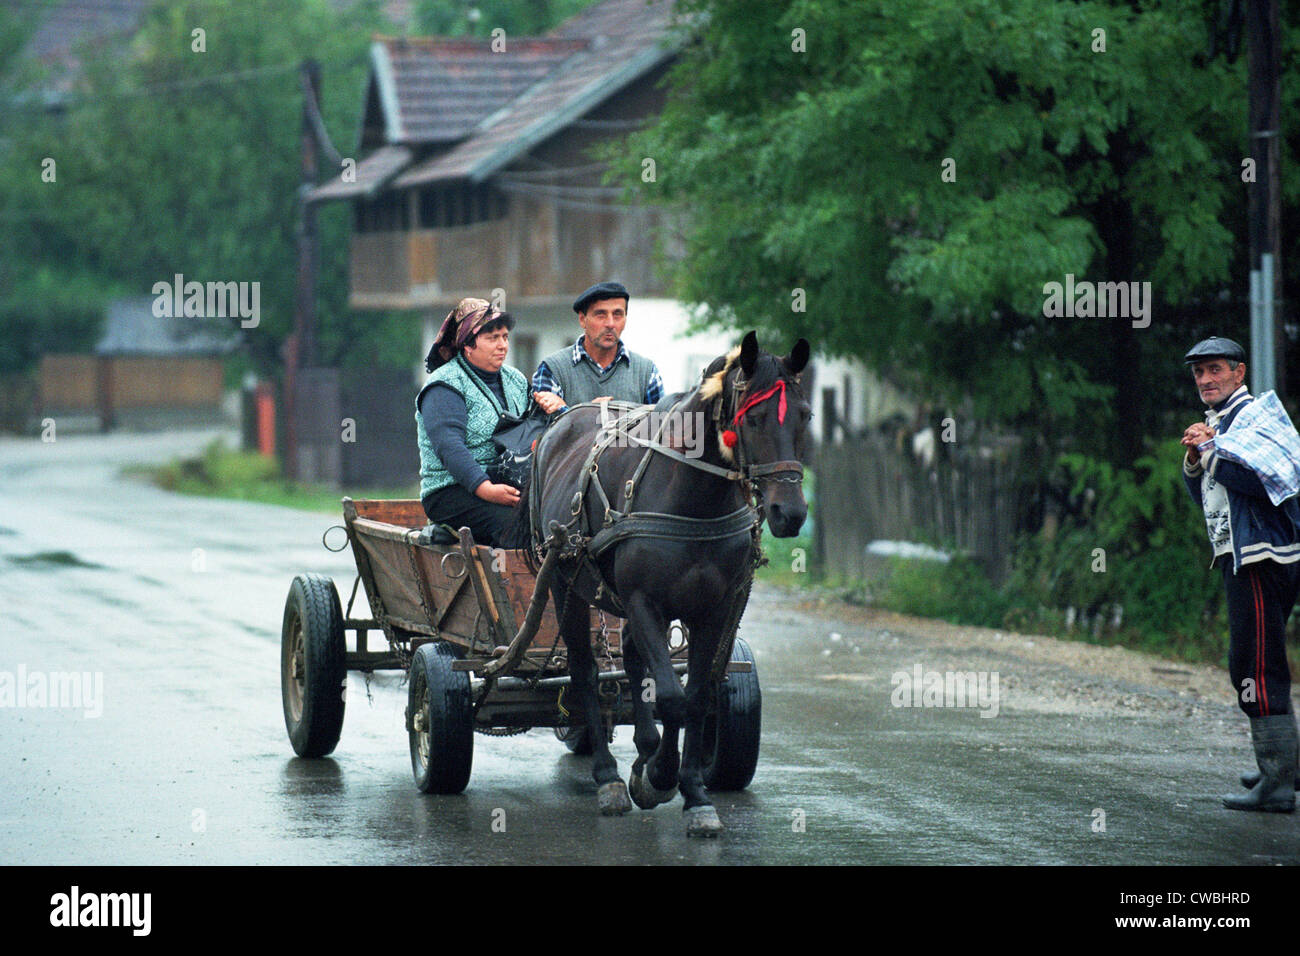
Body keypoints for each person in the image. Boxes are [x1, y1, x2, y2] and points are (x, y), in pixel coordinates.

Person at [1180, 335, 1300, 812]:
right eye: (1199, 373)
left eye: (1214, 370)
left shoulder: (1253, 419)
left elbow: (1265, 481)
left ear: (1239, 373)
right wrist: (1197, 459)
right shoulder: (1221, 425)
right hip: (1242, 554)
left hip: (1261, 558)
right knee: (1260, 657)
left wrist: (1212, 452)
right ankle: (1286, 766)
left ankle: (1276, 784)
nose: (1206, 380)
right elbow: (1213, 498)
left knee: (1253, 662)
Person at [416, 297, 529, 547]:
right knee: (516, 525)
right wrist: (486, 489)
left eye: (505, 337)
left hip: (508, 483)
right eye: (492, 338)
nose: (502, 345)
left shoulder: (516, 380)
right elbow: (449, 446)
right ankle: (512, 586)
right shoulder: (445, 385)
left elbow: (534, 428)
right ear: (468, 345)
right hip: (452, 492)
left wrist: (555, 405)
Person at [531, 281, 664, 413]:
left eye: (617, 314)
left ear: (625, 319)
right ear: (583, 320)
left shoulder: (646, 372)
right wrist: (585, 414)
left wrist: (574, 411)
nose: (610, 323)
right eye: (601, 315)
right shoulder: (553, 369)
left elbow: (663, 427)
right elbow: (541, 429)